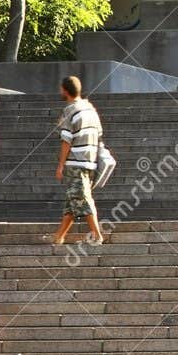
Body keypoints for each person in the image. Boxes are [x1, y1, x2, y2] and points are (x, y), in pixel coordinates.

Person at [51, 76, 105, 246]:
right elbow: (99, 135)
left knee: (83, 198)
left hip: (76, 163)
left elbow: (66, 140)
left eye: (61, 89)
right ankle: (58, 237)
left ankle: (97, 235)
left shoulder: (70, 110)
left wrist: (60, 165)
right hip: (90, 162)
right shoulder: (90, 109)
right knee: (72, 202)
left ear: (65, 90)